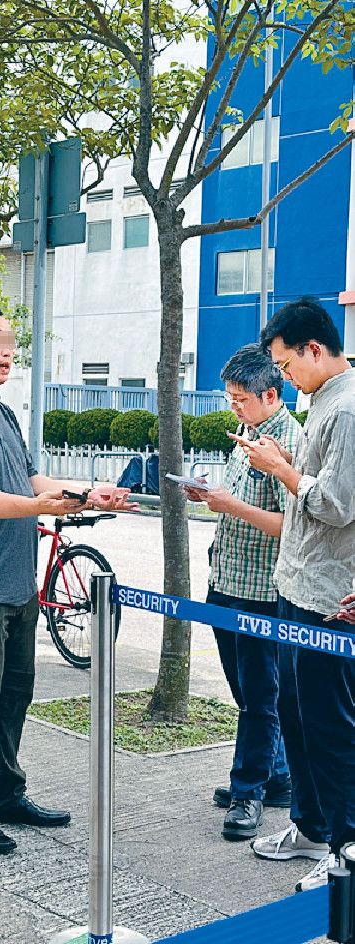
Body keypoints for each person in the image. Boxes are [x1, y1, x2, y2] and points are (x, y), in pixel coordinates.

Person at [0, 304, 129, 855]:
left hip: (17, 584)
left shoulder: (2, 413)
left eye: (12, 340)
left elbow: (30, 477)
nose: (9, 350)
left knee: (14, 695)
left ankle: (7, 793)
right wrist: (37, 504)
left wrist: (83, 494)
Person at [233, 297, 354, 891]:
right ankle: (310, 826)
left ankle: (346, 847)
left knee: (329, 727)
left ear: (313, 349)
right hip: (300, 584)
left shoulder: (347, 409)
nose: (283, 376)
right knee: (297, 716)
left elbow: (335, 503)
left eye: (284, 365)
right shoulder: (323, 403)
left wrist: (282, 471)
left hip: (330, 597)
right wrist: (282, 461)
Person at [184, 344, 302, 841]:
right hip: (225, 580)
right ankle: (276, 777)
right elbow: (235, 501)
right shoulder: (249, 434)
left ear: (270, 394)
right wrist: (209, 494)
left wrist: (229, 505)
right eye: (228, 397)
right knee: (246, 692)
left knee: (260, 697)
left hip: (261, 590)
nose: (231, 406)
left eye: (238, 398)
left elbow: (290, 524)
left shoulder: (287, 444)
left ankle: (247, 792)